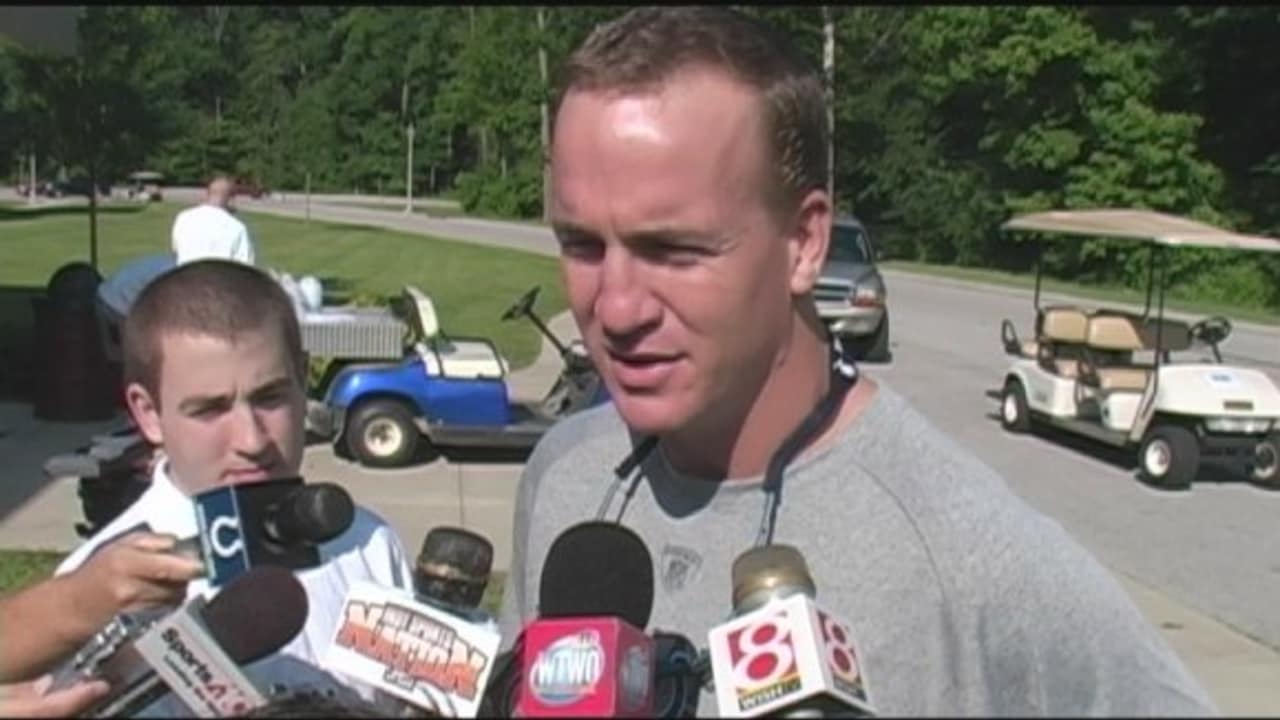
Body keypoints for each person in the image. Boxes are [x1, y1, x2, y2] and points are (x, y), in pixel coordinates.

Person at [496, 6, 1217, 716]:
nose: (617, 309)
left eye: (674, 251)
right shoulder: (565, 475)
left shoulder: (966, 552)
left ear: (804, 244)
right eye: (582, 245)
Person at [53, 259, 415, 716]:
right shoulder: (92, 594)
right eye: (210, 409)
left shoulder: (368, 544)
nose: (252, 441)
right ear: (148, 414)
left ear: (303, 382)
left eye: (270, 398)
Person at [171, 176, 256, 266]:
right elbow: (245, 267)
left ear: (207, 194)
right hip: (220, 278)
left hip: (186, 277)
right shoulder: (237, 227)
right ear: (231, 199)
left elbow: (176, 252)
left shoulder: (183, 218)